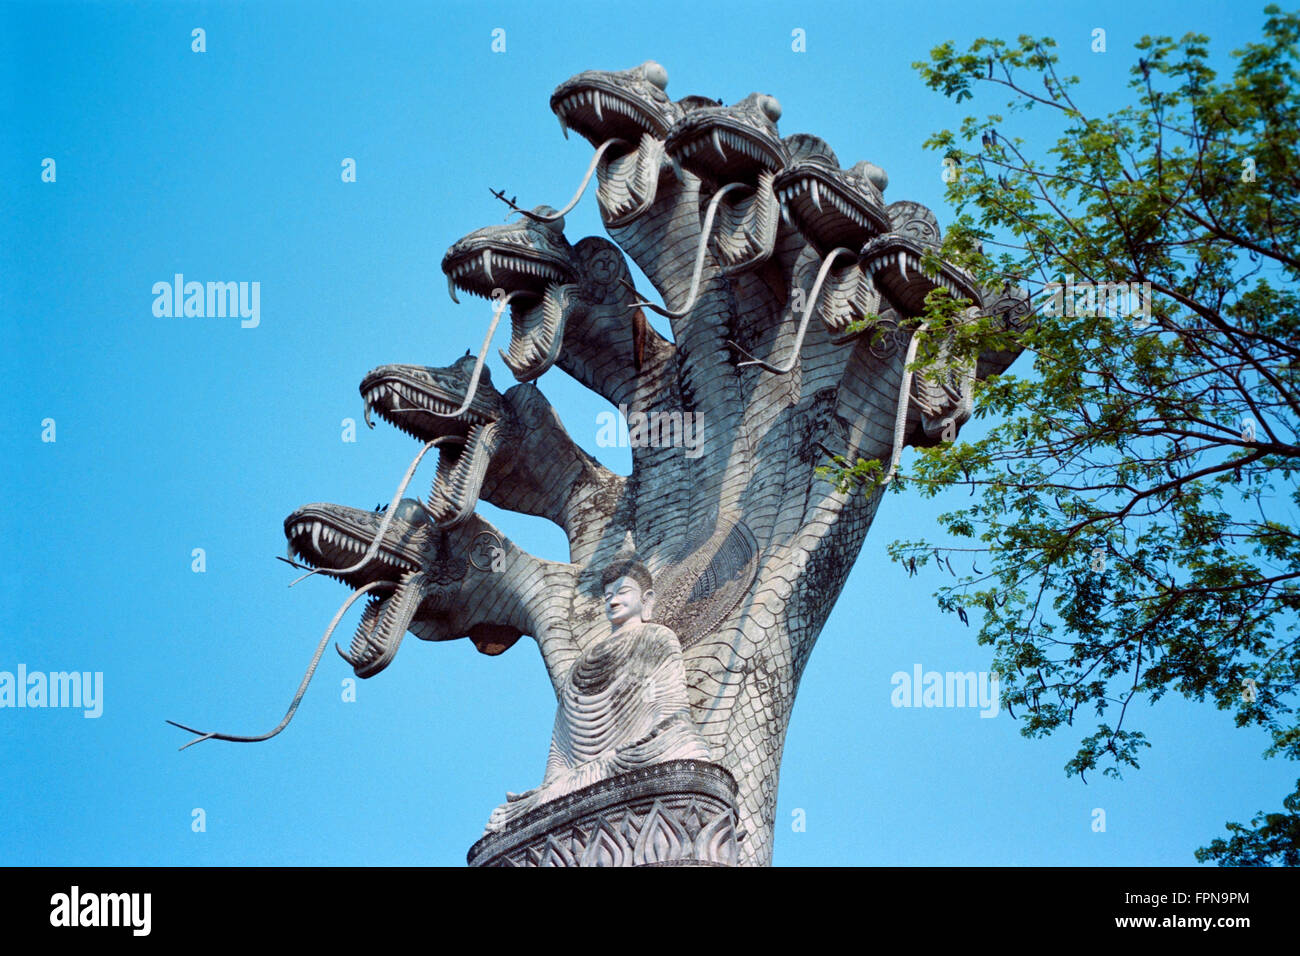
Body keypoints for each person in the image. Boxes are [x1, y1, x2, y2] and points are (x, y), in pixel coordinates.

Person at [484, 556, 711, 833]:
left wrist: (643, 747)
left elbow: (671, 709)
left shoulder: (657, 638)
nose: (613, 602)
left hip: (642, 754)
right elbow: (561, 752)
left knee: (690, 748)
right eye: (607, 596)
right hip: (586, 774)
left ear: (646, 598)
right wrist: (553, 785)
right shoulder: (582, 665)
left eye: (623, 592)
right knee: (533, 803)